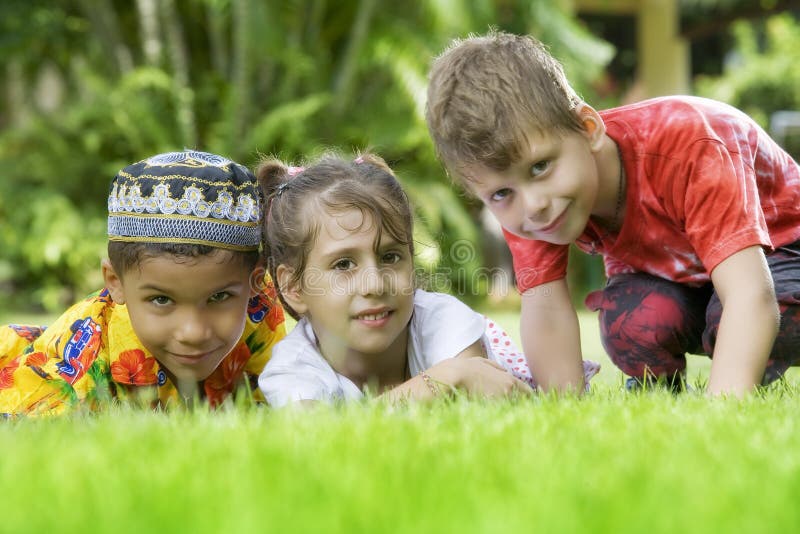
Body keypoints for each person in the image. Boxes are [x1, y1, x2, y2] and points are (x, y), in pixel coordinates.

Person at [425, 31, 800, 396]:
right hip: (691, 276)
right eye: (501, 193)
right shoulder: (529, 204)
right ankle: (658, 393)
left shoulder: (688, 145)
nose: (533, 204)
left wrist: (722, 412)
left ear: (588, 128)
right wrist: (562, 412)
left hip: (779, 255)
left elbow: (750, 295)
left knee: (733, 316)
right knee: (630, 319)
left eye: (540, 167)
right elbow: (546, 311)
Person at [255, 152, 599, 406]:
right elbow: (321, 440)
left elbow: (480, 409)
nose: (375, 284)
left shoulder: (441, 320)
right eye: (344, 265)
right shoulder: (293, 367)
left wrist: (459, 375)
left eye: (390, 257)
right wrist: (450, 377)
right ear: (294, 287)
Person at [0, 150, 286, 416]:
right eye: (161, 300)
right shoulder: (76, 369)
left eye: (219, 297)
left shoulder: (259, 307)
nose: (193, 333)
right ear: (116, 282)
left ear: (257, 280)